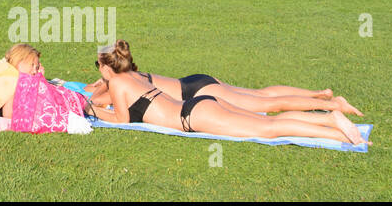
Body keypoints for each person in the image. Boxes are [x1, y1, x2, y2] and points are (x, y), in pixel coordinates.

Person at [88, 40, 363, 145]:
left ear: (105, 67)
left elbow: (122, 120)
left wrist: (93, 111)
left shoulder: (118, 84)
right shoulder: (132, 77)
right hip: (200, 103)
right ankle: (333, 122)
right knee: (266, 116)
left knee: (267, 127)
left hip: (194, 114)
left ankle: (330, 121)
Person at [83, 65, 361, 116]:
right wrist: (102, 81)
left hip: (193, 95)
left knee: (265, 105)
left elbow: (95, 99)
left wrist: (98, 88)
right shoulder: (131, 73)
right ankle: (318, 94)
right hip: (195, 80)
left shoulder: (119, 85)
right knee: (261, 93)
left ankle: (331, 105)